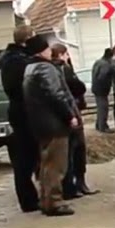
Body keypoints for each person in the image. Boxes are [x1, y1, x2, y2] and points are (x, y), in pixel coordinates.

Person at [22, 35, 78, 217]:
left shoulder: (29, 68)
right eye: (47, 49)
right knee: (56, 164)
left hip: (40, 123)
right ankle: (54, 202)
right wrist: (69, 115)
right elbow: (56, 94)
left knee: (46, 164)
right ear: (41, 50)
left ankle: (46, 199)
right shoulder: (46, 69)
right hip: (54, 123)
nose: (49, 51)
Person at [0, 25, 39, 213]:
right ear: (27, 38)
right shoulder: (16, 61)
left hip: (22, 111)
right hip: (23, 113)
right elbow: (20, 88)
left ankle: (32, 198)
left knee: (28, 158)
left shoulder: (15, 59)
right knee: (24, 161)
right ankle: (28, 201)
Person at [52, 44, 98, 198]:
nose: (68, 57)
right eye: (66, 54)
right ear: (61, 55)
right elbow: (77, 87)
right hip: (70, 113)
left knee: (75, 151)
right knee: (75, 150)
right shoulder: (62, 70)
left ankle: (77, 184)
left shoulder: (59, 69)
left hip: (71, 111)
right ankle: (75, 185)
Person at [90, 48, 115, 134]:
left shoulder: (98, 62)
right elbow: (102, 77)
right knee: (103, 108)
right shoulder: (106, 64)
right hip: (102, 89)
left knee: (100, 108)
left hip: (96, 88)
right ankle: (103, 127)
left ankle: (98, 124)